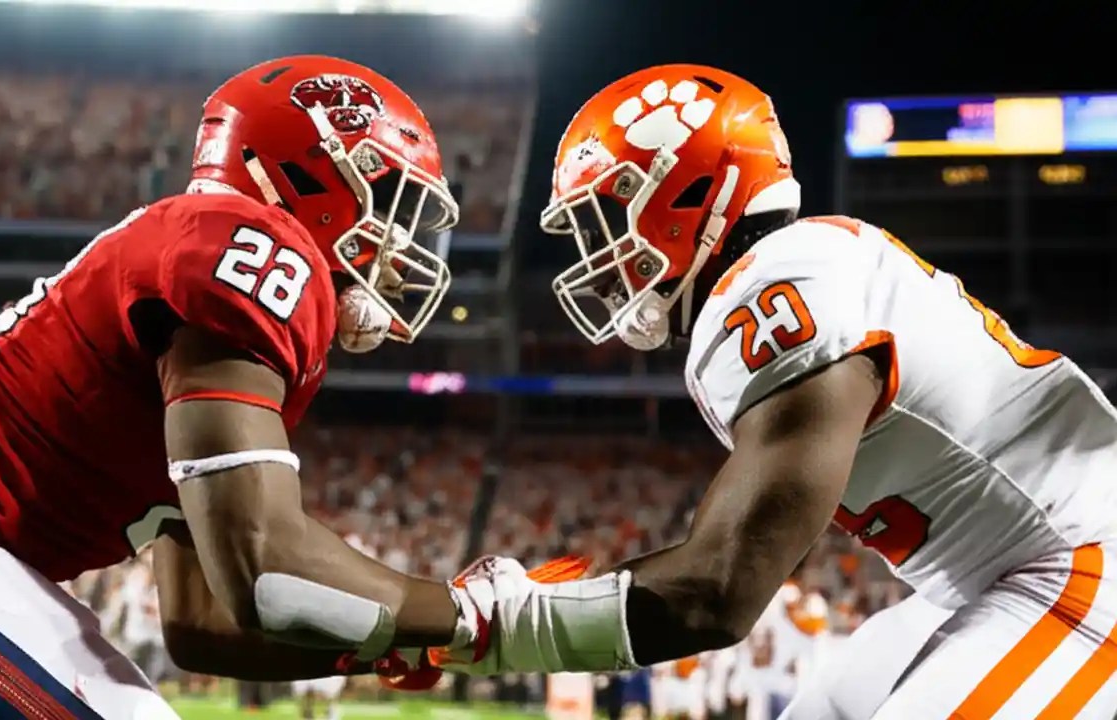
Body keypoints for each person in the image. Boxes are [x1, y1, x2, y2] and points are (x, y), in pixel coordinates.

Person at [423, 64, 1117, 719]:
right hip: (986, 580)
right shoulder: (794, 279)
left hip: (1081, 566)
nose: (596, 258)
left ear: (687, 195)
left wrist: (492, 623)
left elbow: (718, 593)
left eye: (607, 218)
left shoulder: (781, 285)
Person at [0, 54, 478, 719]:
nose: (400, 246)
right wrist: (477, 614)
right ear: (307, 173)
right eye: (391, 202)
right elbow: (266, 562)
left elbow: (206, 623)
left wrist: (395, 642)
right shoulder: (255, 241)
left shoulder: (225, 326)